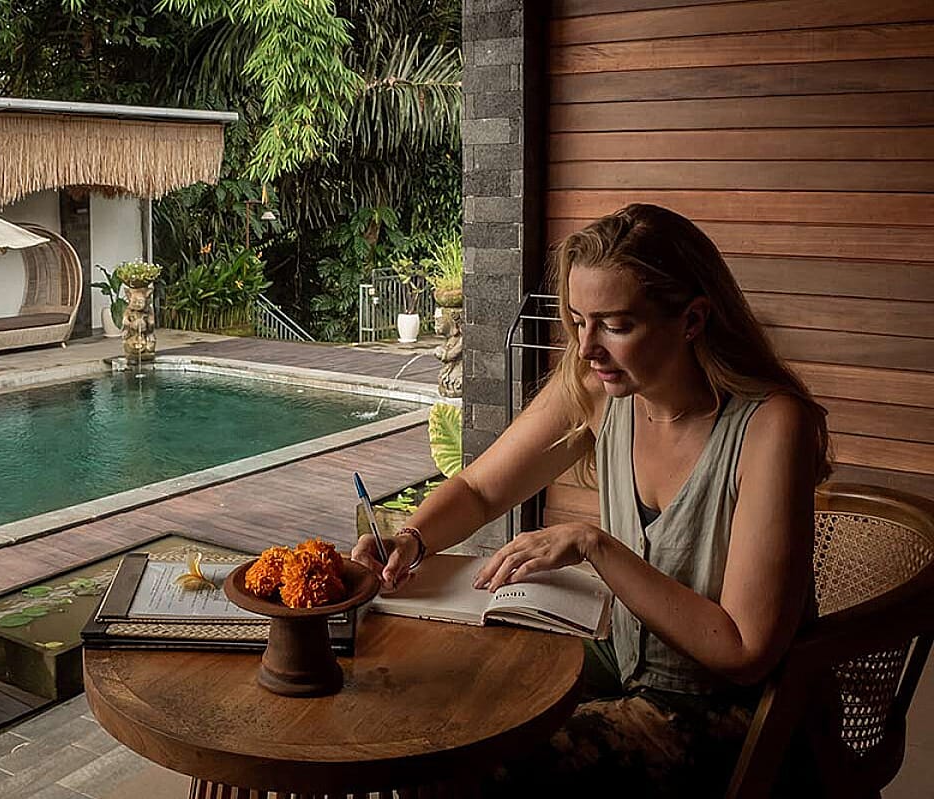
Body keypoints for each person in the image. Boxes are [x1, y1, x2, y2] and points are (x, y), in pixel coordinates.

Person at [351, 204, 831, 797]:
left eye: (616, 325)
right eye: (578, 321)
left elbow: (741, 651)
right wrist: (411, 538)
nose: (586, 349)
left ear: (693, 319)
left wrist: (593, 544)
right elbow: (480, 489)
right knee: (431, 715)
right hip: (621, 665)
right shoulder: (602, 391)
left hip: (733, 723)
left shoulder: (771, 427)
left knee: (456, 770)